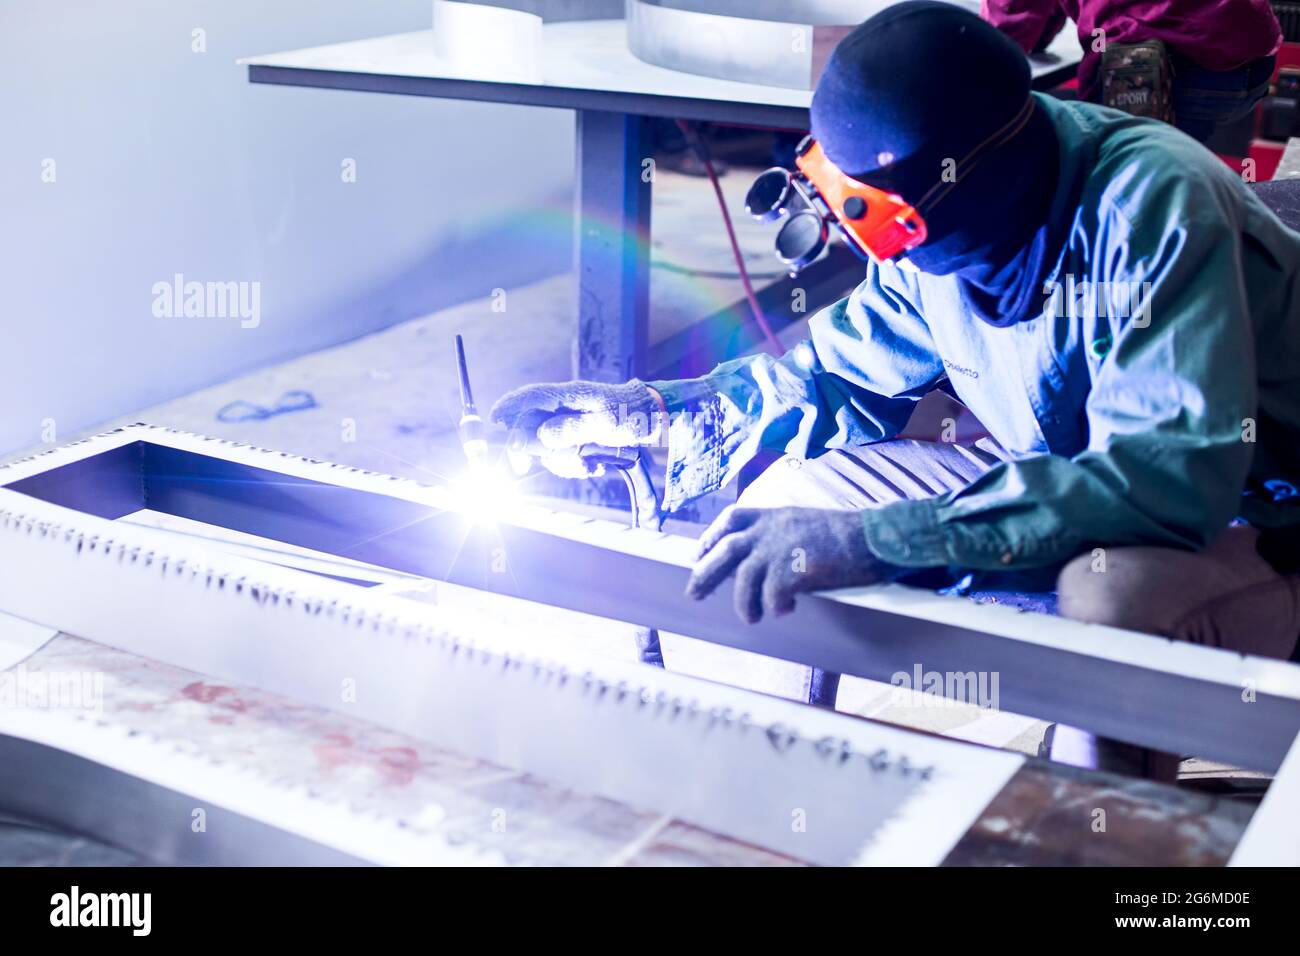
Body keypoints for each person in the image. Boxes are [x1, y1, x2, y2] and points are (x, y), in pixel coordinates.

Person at [491, 2, 1300, 769]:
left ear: (945, 203)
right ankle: (768, 790)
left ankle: (1107, 849)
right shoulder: (952, 213)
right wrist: (656, 415)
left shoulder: (1151, 204)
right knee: (771, 516)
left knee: (1108, 596)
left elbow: (1164, 482)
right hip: (1079, 472)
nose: (875, 254)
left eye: (884, 225)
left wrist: (885, 543)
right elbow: (835, 371)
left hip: (1254, 514)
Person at [982, 0, 1282, 145]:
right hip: (1251, 54)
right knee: (1181, 183)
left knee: (1137, 200)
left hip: (1174, 66)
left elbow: (1011, 15)